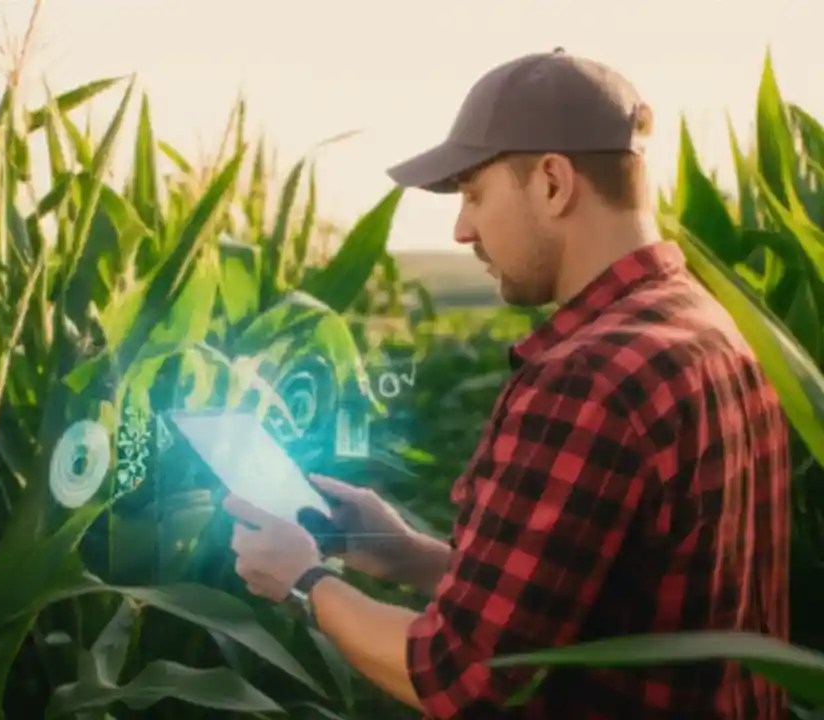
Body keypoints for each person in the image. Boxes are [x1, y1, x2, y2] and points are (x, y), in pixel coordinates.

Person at [224, 48, 792, 718]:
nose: (462, 229)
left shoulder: (586, 380)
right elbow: (584, 611)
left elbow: (461, 678)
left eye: (473, 194)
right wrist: (402, 553)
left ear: (553, 182)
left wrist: (304, 579)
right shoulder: (704, 326)